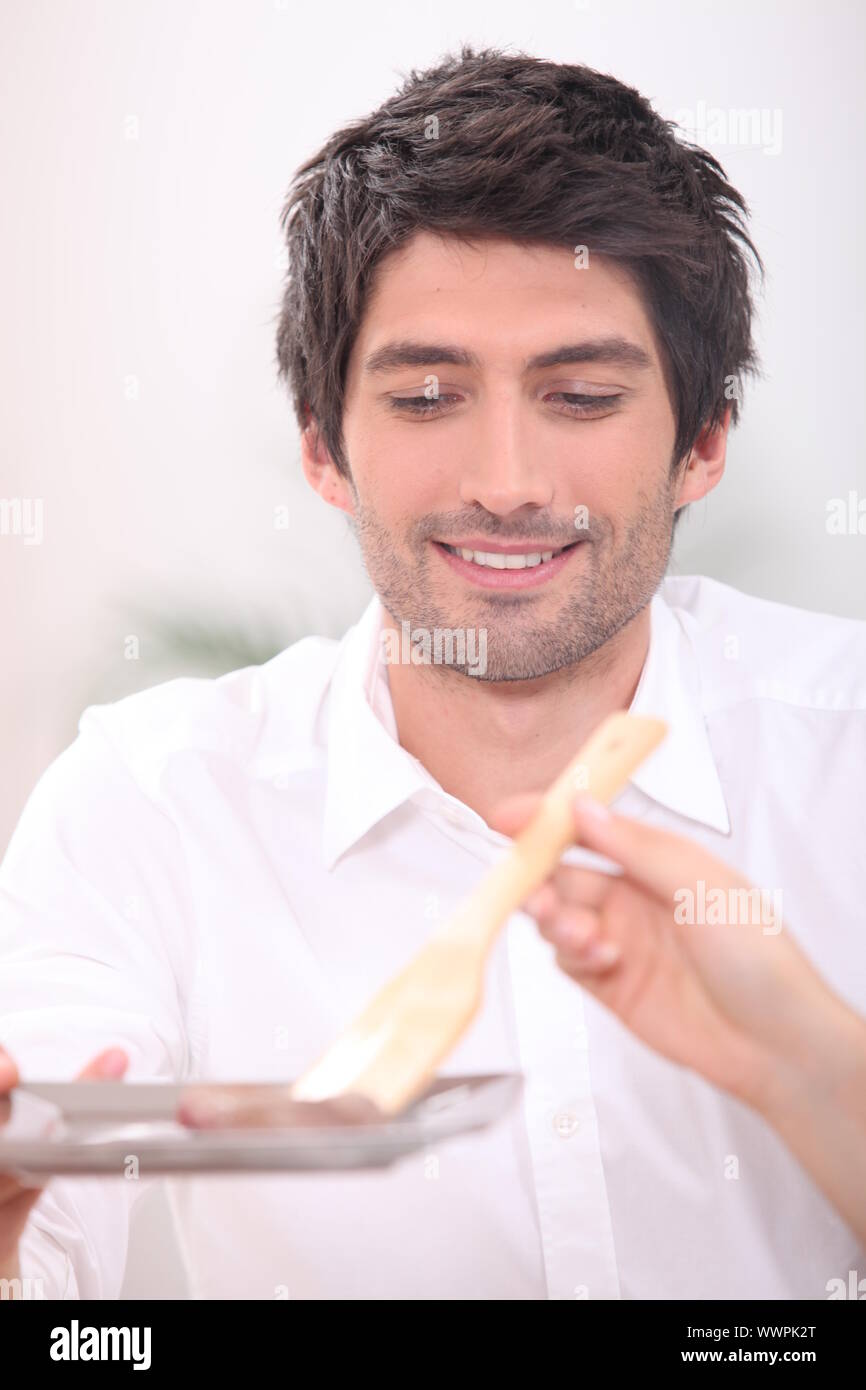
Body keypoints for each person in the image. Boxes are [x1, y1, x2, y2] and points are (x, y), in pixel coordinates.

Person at [2, 44, 865, 1300]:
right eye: (422, 395)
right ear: (321, 446)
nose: (505, 479)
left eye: (577, 395)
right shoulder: (146, 803)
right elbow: (46, 1252)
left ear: (701, 441)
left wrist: (812, 1074)